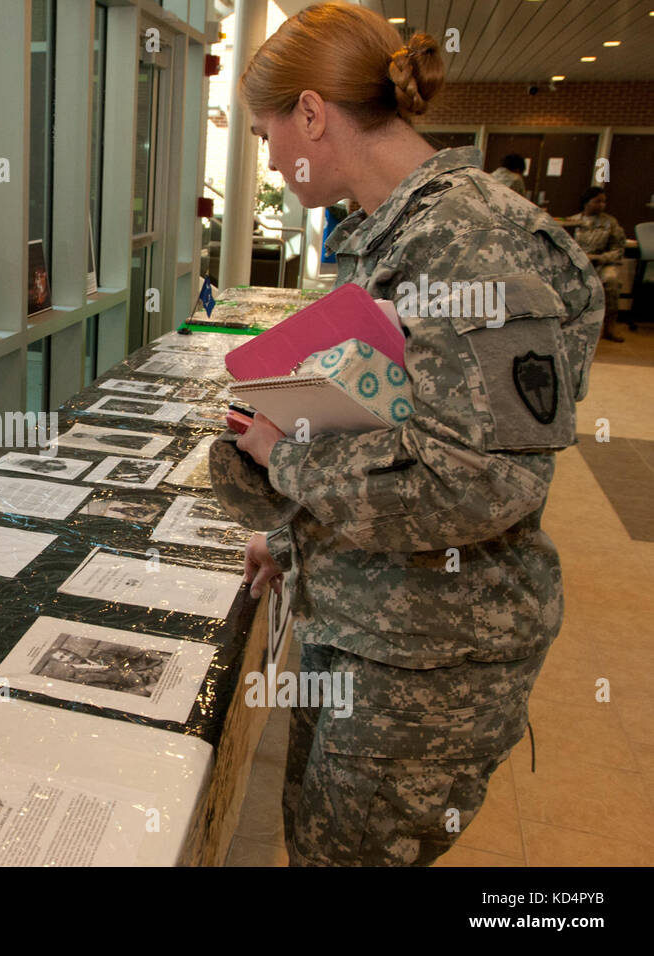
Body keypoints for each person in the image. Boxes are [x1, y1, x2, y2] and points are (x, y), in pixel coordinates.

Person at [209, 2, 602, 867]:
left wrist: (283, 457)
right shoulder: (389, 235)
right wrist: (291, 528)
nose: (269, 156)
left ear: (312, 114)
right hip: (363, 618)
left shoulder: (470, 243)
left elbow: (480, 483)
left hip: (426, 662)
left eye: (267, 131)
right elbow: (387, 414)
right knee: (314, 846)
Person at [572, 186, 627, 342]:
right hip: (577, 263)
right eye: (597, 201)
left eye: (604, 201)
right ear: (586, 203)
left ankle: (609, 328)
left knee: (611, 280)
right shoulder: (573, 221)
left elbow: (618, 250)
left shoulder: (610, 223)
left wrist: (599, 257)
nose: (602, 205)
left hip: (601, 262)